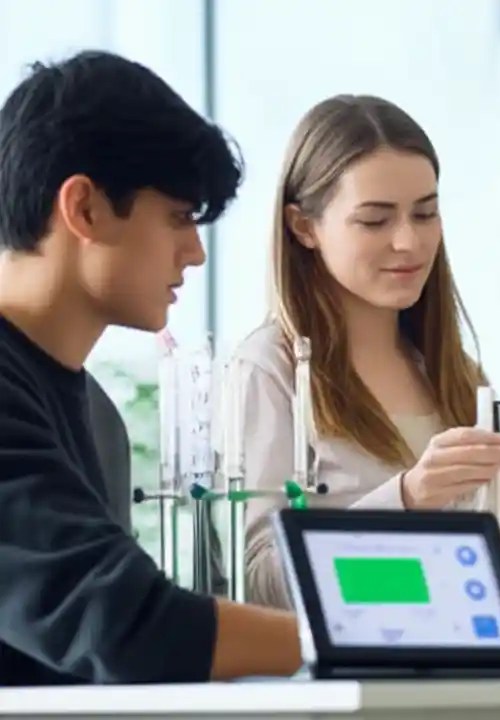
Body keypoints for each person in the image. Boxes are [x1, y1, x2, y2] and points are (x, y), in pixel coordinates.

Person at [228, 94, 500, 673]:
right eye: (375, 220)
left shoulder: (459, 377)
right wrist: (406, 498)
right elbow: (256, 581)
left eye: (425, 213)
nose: (409, 241)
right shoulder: (270, 369)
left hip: (462, 695)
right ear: (303, 227)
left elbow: (492, 573)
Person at [0, 50, 304, 684]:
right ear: (83, 208)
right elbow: (127, 627)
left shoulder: (94, 413)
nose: (193, 253)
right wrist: (451, 640)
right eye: (177, 218)